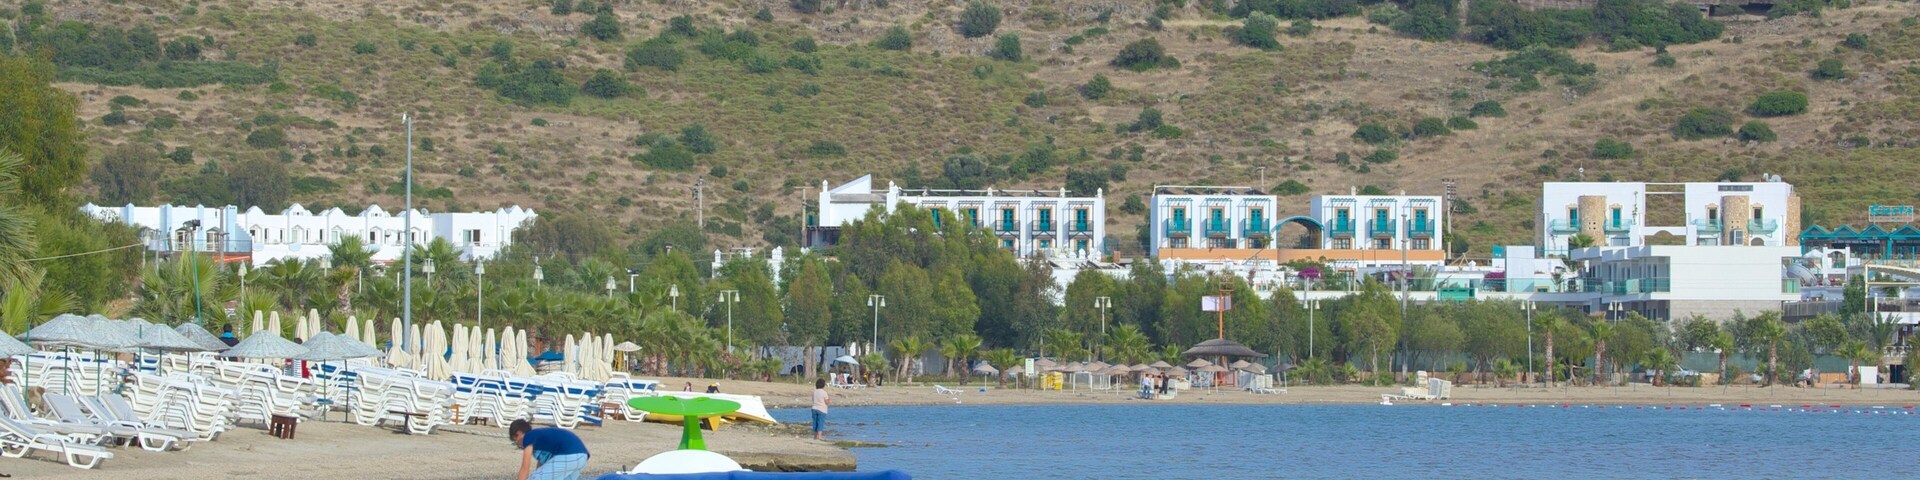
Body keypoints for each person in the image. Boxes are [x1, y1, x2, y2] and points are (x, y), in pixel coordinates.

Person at [509, 419, 589, 480]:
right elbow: (542, 468)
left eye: (516, 441)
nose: (518, 445)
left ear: (519, 433)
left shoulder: (528, 436)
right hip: (582, 456)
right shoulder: (540, 439)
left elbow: (525, 467)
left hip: (568, 453)